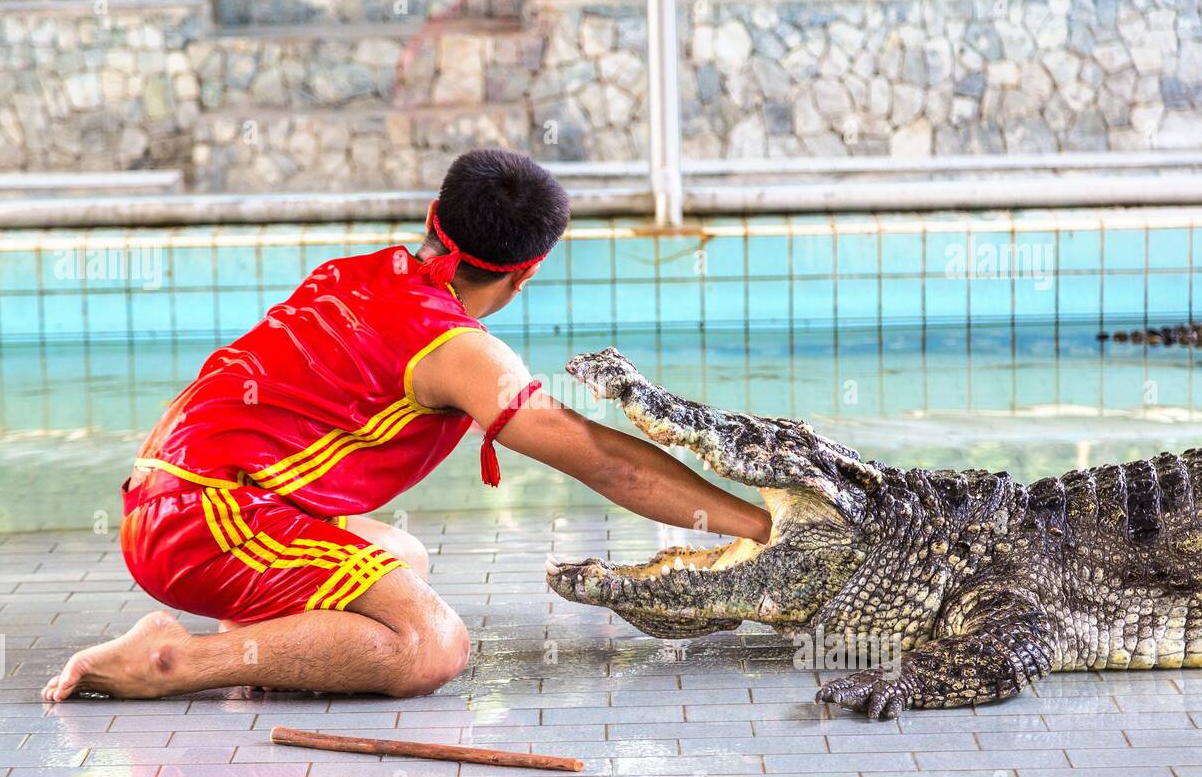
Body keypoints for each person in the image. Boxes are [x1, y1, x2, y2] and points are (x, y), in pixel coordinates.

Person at [41, 148, 772, 701]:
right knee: (431, 644)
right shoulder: (459, 353)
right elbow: (608, 463)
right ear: (527, 274)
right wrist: (762, 526)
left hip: (169, 496)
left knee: (403, 554)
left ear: (433, 215)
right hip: (202, 524)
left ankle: (262, 636)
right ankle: (171, 661)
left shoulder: (353, 271)